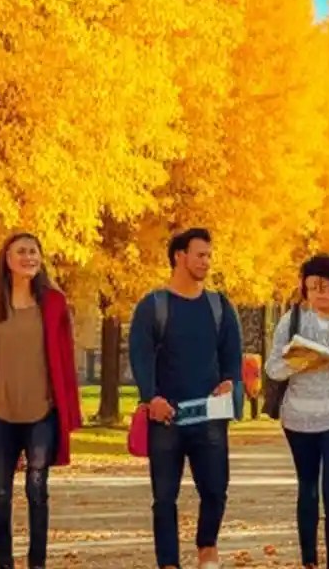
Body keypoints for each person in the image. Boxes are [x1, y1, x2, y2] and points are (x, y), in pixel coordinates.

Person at [0, 232, 82, 569]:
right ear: (7, 259)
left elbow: (65, 362)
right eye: (21, 251)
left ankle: (37, 563)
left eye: (33, 251)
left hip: (42, 412)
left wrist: (71, 413)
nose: (29, 257)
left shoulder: (54, 305)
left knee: (37, 488)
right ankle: (5, 563)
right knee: (1, 492)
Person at [128, 228, 243, 569]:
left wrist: (229, 382)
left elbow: (232, 356)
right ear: (180, 256)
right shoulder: (153, 306)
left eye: (209, 255)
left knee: (216, 489)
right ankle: (168, 562)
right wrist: (151, 397)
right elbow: (140, 356)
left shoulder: (219, 306)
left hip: (209, 417)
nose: (206, 262)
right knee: (164, 497)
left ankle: (207, 547)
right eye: (200, 255)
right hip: (167, 418)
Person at [265, 253, 329, 569]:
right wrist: (300, 361)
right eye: (311, 288)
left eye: (324, 287)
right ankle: (309, 559)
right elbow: (273, 368)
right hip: (298, 417)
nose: (318, 294)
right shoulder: (292, 321)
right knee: (308, 488)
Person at [242, 353, 263, 419]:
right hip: (253, 382)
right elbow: (257, 372)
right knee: (254, 398)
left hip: (250, 382)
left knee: (252, 398)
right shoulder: (254, 360)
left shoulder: (246, 362)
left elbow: (244, 373)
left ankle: (254, 415)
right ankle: (254, 415)